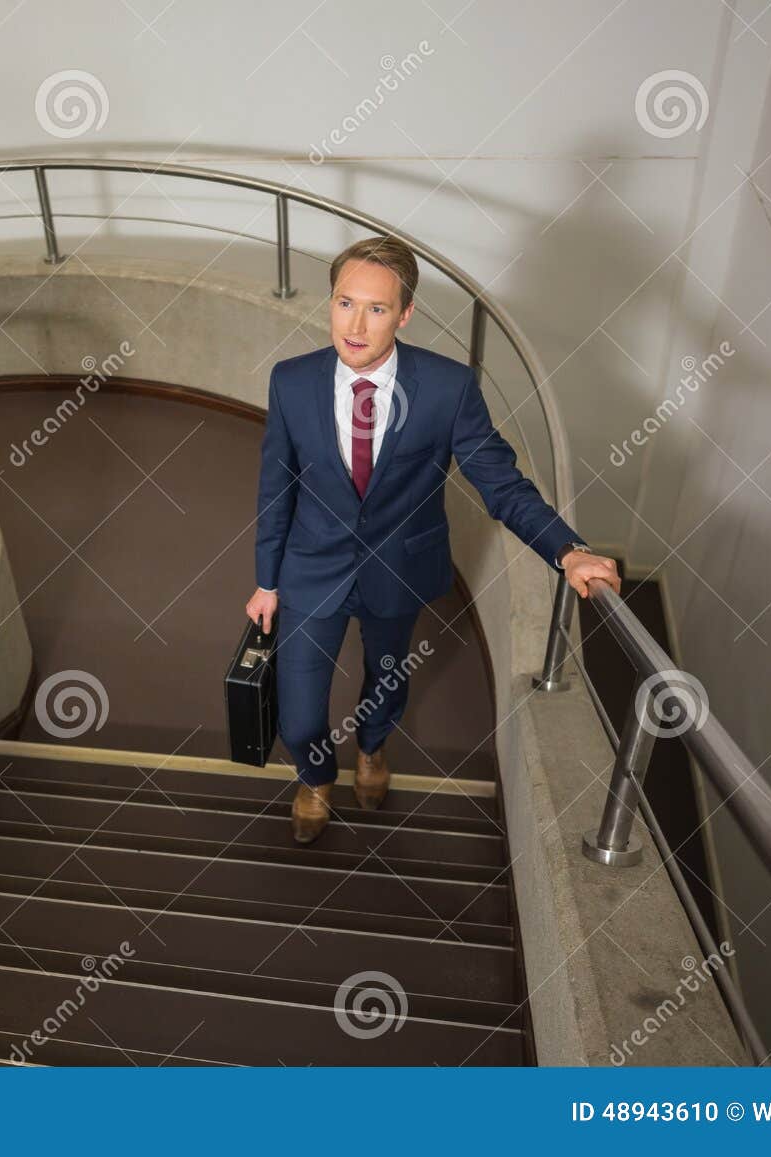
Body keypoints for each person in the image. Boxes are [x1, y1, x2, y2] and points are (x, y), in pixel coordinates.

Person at [245, 235, 620, 844]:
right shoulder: (291, 381)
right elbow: (276, 487)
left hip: (399, 569)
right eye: (345, 303)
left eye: (377, 309)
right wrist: (266, 580)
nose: (356, 326)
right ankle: (315, 776)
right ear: (330, 303)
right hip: (310, 570)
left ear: (406, 314)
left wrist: (567, 548)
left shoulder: (447, 389)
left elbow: (502, 483)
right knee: (299, 710)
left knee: (387, 678)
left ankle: (371, 748)